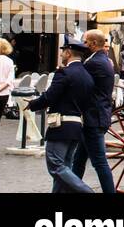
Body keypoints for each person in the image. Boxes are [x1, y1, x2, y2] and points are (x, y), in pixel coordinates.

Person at [25, 41, 95, 193]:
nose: (61, 54)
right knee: (65, 167)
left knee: (56, 166)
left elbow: (50, 96)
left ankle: (86, 191)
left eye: (63, 52)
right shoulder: (87, 75)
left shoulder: (64, 72)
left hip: (61, 126)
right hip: (77, 126)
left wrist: (32, 104)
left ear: (69, 53)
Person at [71, 30, 116, 193]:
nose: (83, 45)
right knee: (79, 159)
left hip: (93, 117)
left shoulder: (94, 63)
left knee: (99, 162)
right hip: (95, 115)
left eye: (85, 42)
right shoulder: (101, 60)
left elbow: (78, 81)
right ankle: (71, 190)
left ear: (93, 43)